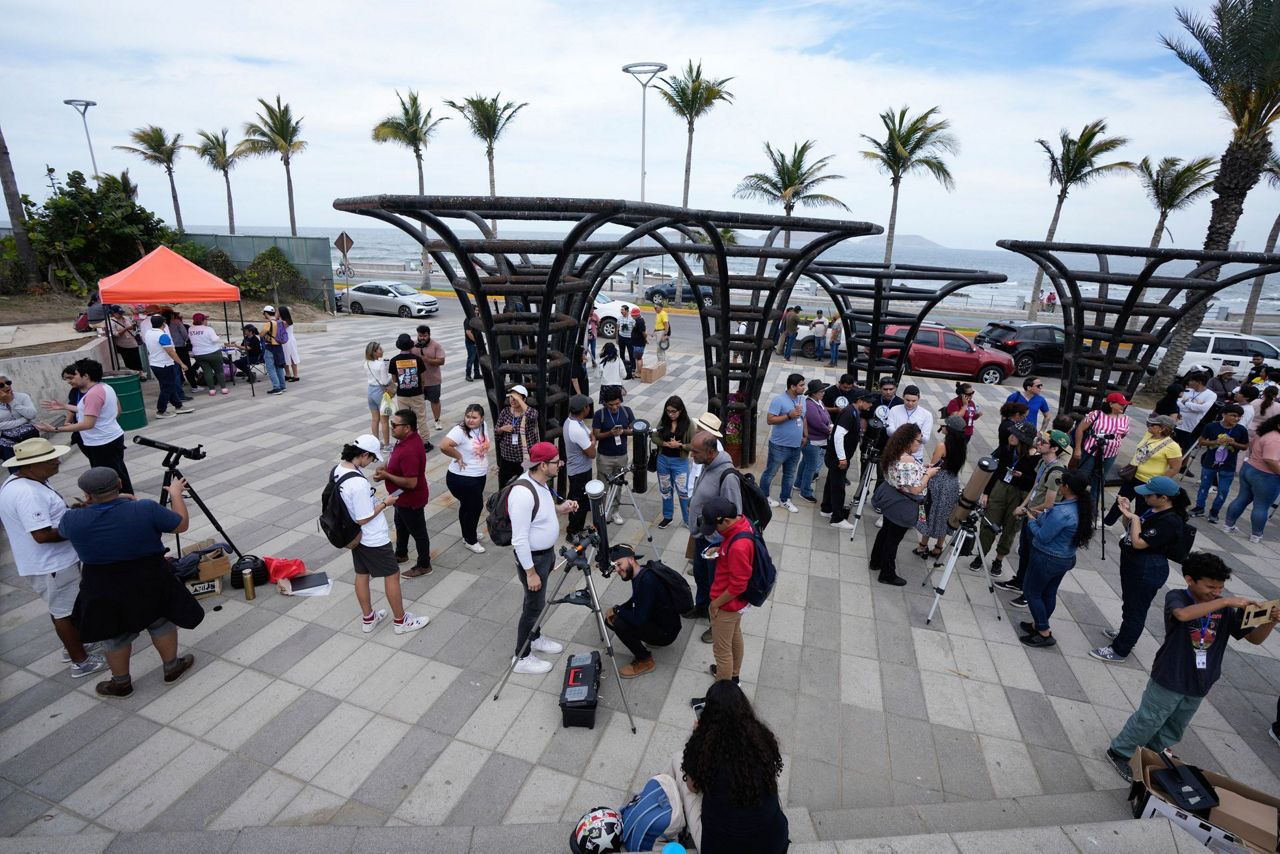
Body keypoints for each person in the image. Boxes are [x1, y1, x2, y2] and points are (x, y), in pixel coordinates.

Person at [1104, 552, 1278, 783]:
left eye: (1220, 588)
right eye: (1210, 587)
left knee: (1176, 725)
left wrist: (1271, 621)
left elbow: (1254, 639)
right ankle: (1119, 751)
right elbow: (1183, 615)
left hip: (1202, 679)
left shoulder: (1224, 608)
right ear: (1189, 579)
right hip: (1171, 674)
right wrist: (1224, 601)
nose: (1216, 592)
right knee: (1150, 718)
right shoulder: (1178, 597)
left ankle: (1153, 752)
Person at [57, 467, 203, 697]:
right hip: (149, 576)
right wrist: (175, 493)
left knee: (114, 633)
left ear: (86, 494)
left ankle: (121, 683)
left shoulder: (72, 519)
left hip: (102, 583)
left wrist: (102, 503)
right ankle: (172, 666)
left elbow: (84, 520)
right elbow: (181, 524)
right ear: (119, 484)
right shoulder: (144, 508)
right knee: (160, 620)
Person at [0, 439, 105, 678]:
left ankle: (77, 645)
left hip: (53, 562)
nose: (57, 462)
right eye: (51, 460)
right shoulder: (28, 493)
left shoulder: (26, 482)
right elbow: (42, 534)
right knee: (63, 612)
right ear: (31, 465)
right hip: (52, 564)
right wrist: (77, 527)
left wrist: (73, 513)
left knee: (67, 608)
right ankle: (80, 661)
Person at [332, 435, 430, 635]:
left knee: (362, 574)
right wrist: (386, 503)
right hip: (371, 536)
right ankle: (401, 621)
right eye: (372, 459)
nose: (371, 463)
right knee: (392, 575)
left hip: (354, 536)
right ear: (364, 455)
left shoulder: (339, 469)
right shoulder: (357, 484)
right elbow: (363, 518)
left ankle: (368, 618)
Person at [679, 681, 789, 854]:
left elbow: (692, 787)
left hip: (720, 848)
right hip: (774, 844)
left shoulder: (703, 750)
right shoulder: (762, 739)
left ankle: (665, 811)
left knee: (678, 765)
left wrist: (696, 737)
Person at [1090, 475, 1190, 663]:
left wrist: (1134, 517)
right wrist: (1127, 513)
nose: (1145, 498)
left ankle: (1121, 649)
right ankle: (1126, 633)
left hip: (1146, 569)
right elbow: (1130, 529)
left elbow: (1138, 543)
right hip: (1135, 565)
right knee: (1129, 605)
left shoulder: (1169, 521)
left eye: (1149, 495)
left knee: (1136, 610)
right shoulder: (1155, 509)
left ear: (1164, 498)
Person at [509, 441, 576, 675]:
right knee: (533, 606)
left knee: (536, 603)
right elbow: (519, 540)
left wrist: (562, 508)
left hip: (544, 556)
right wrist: (530, 572)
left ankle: (534, 637)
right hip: (533, 560)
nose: (561, 465)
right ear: (543, 465)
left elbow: (544, 510)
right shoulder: (522, 494)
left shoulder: (542, 483)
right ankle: (521, 656)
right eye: (557, 462)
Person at [1018, 471, 1093, 648]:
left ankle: (1044, 631)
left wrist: (1031, 520)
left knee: (1032, 592)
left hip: (1047, 558)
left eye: (1061, 483)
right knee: (1048, 592)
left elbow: (1042, 537)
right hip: (1065, 558)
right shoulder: (1080, 507)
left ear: (1067, 487)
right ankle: (1038, 624)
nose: (1059, 485)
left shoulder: (1063, 512)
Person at [39, 359, 134, 494]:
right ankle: (127, 498)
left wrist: (55, 429)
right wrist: (65, 406)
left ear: (86, 376)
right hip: (111, 437)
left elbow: (88, 424)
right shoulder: (105, 387)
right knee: (118, 471)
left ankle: (123, 502)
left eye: (75, 375)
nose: (72, 379)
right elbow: (117, 411)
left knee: (108, 478)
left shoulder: (93, 394)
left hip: (102, 442)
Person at [999, 430, 1072, 600]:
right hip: (1030, 513)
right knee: (1024, 551)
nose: (1038, 443)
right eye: (1039, 440)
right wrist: (1023, 506)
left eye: (1043, 442)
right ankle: (1019, 581)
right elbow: (1035, 486)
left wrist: (1026, 510)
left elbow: (1049, 503)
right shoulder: (1042, 463)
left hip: (1040, 519)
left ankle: (1028, 594)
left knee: (1033, 555)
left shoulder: (1056, 473)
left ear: (1054, 448)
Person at [687, 430, 742, 637]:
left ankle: (717, 624)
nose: (692, 455)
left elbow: (734, 513)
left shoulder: (727, 476)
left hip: (716, 542)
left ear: (710, 452)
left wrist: (722, 544)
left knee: (716, 584)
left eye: (695, 452)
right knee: (701, 575)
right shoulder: (706, 464)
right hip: (703, 536)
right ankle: (701, 607)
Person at [871, 423, 942, 586]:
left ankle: (875, 561)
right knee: (893, 539)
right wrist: (929, 474)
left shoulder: (895, 451)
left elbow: (905, 475)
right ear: (908, 440)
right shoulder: (907, 460)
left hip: (890, 498)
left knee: (885, 531)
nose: (920, 443)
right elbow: (915, 489)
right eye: (918, 440)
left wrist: (922, 468)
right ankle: (887, 573)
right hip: (902, 504)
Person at [971, 420, 1039, 577]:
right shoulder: (1005, 449)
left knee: (1010, 528)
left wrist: (1022, 476)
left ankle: (999, 559)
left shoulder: (1035, 458)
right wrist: (986, 493)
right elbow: (994, 472)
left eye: (1015, 434)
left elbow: (1035, 483)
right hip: (999, 488)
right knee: (988, 522)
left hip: (1019, 494)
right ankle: (980, 556)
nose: (1011, 436)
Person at [698, 496, 754, 683]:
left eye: (716, 526)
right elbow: (732, 544)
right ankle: (734, 676)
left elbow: (739, 584)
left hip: (727, 605)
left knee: (722, 652)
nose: (715, 531)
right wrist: (720, 549)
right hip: (737, 605)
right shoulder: (743, 522)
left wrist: (715, 604)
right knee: (735, 636)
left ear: (726, 520)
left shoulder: (738, 547)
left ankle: (722, 695)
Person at [604, 544, 683, 678]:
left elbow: (639, 619)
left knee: (619, 623)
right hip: (667, 624)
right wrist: (619, 608)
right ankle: (651, 640)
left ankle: (645, 660)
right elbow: (636, 599)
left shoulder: (647, 581)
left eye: (619, 564)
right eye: (615, 567)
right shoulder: (643, 573)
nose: (617, 570)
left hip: (666, 634)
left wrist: (617, 610)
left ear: (631, 559)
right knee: (615, 616)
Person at [374, 409, 432, 578]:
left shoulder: (410, 450)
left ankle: (424, 564)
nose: (391, 428)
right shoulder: (404, 440)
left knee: (418, 532)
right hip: (400, 496)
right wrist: (385, 467)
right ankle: (401, 553)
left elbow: (411, 482)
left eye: (394, 425)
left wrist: (387, 475)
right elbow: (395, 458)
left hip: (411, 499)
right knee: (400, 524)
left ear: (406, 428)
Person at [1103, 415, 1182, 526]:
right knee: (1120, 501)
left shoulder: (1172, 446)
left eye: (1153, 424)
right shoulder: (1149, 435)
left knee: (1142, 508)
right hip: (1133, 476)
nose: (1148, 425)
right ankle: (1107, 523)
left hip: (1149, 483)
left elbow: (1175, 468)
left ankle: (1134, 530)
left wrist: (1159, 482)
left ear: (1162, 428)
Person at [439, 403, 491, 554]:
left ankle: (469, 534)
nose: (470, 420)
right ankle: (470, 540)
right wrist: (458, 456)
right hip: (462, 478)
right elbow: (444, 446)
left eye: (474, 417)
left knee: (467, 506)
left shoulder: (483, 426)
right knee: (474, 507)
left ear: (481, 419)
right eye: (468, 416)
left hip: (478, 476)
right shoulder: (460, 431)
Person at [914, 416, 967, 559]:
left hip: (938, 481)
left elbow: (934, 465)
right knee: (945, 513)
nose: (942, 427)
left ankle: (922, 546)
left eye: (945, 425)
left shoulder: (942, 446)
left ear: (949, 429)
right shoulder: (962, 445)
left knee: (930, 510)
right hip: (952, 482)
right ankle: (938, 547)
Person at [1223, 413, 1280, 543]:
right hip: (1266, 476)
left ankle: (1228, 525)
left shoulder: (1263, 432)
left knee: (1242, 498)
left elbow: (1252, 447)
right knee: (1262, 506)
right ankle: (1256, 534)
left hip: (1249, 468)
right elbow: (1270, 459)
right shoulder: (1276, 439)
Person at [824, 392, 874, 531]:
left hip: (838, 456)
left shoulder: (852, 411)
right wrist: (842, 458)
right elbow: (838, 436)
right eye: (868, 402)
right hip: (838, 457)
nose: (870, 405)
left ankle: (826, 508)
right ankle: (837, 519)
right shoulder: (849, 413)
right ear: (860, 401)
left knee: (831, 482)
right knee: (839, 487)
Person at [1073, 392, 1131, 509]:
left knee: (1100, 480)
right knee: (1083, 476)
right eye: (1120, 404)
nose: (1123, 406)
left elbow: (1122, 435)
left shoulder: (1125, 419)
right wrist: (1078, 448)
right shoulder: (1096, 414)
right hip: (1091, 450)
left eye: (1124, 404)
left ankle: (1092, 508)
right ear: (1111, 404)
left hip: (1110, 453)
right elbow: (1080, 429)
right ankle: (1074, 501)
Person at [1191, 404, 1249, 522]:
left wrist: (1233, 443)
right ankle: (1199, 507)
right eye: (1233, 416)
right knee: (1204, 486)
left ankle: (1214, 512)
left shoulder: (1241, 430)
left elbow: (1245, 447)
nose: (1236, 419)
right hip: (1210, 462)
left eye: (1239, 417)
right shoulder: (1211, 426)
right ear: (1224, 415)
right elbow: (1201, 441)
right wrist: (1215, 442)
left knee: (1223, 490)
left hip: (1229, 466)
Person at [759, 373, 807, 513]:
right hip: (779, 446)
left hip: (796, 446)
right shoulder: (778, 400)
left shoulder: (802, 399)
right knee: (770, 473)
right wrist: (788, 416)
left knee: (790, 474)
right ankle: (764, 497)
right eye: (801, 385)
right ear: (792, 387)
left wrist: (805, 434)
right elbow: (770, 420)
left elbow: (804, 418)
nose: (804, 388)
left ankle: (785, 500)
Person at [592, 385, 635, 522]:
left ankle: (615, 510)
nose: (615, 407)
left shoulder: (627, 411)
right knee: (603, 486)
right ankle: (601, 511)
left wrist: (623, 431)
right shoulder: (600, 414)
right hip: (605, 456)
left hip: (622, 455)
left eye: (617, 404)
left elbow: (634, 429)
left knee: (618, 485)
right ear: (605, 403)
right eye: (611, 405)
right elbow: (596, 435)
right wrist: (610, 433)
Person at [652, 395, 694, 528]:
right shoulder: (664, 421)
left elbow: (693, 444)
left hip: (680, 462)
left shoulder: (688, 424)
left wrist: (680, 446)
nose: (670, 414)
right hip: (663, 460)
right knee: (665, 490)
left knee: (683, 491)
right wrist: (664, 443)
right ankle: (667, 517)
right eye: (668, 411)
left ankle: (688, 520)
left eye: (673, 411)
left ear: (680, 410)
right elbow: (654, 436)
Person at [142, 315, 195, 417]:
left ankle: (178, 406)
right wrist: (181, 363)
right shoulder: (162, 336)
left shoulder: (149, 333)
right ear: (164, 324)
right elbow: (171, 351)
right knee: (167, 388)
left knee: (168, 386)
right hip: (165, 364)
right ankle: (161, 411)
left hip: (154, 363)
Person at [562, 395, 596, 537]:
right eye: (588, 406)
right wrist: (593, 443)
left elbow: (591, 434)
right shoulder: (576, 429)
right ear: (584, 409)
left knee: (578, 499)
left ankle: (577, 526)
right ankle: (573, 531)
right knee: (578, 502)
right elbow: (592, 453)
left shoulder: (574, 421)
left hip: (579, 469)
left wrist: (591, 439)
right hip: (579, 472)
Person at [495, 384, 539, 487]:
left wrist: (519, 400)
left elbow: (533, 415)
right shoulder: (505, 412)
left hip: (524, 459)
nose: (512, 400)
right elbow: (496, 431)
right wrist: (502, 429)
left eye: (516, 398)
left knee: (525, 485)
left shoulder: (528, 414)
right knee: (504, 485)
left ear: (524, 399)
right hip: (507, 458)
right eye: (511, 397)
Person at [796, 379, 831, 503]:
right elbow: (817, 423)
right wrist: (829, 430)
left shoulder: (819, 402)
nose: (823, 393)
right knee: (811, 466)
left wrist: (830, 425)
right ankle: (805, 492)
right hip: (812, 441)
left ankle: (798, 483)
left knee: (805, 462)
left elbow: (826, 416)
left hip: (818, 440)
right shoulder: (810, 405)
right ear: (814, 393)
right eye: (821, 391)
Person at [389, 332, 427, 445]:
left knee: (403, 419)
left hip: (402, 395)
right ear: (411, 345)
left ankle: (405, 440)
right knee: (420, 418)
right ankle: (424, 442)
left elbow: (394, 380)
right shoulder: (417, 359)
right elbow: (423, 379)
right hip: (417, 393)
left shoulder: (394, 360)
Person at [411, 325, 446, 433]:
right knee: (417, 403)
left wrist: (427, 360)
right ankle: (418, 423)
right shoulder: (412, 345)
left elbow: (441, 361)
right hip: (417, 381)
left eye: (424, 336)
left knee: (435, 401)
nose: (422, 338)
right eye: (420, 335)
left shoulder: (436, 346)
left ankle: (437, 420)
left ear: (429, 335)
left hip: (433, 380)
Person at [0, 375, 42, 462]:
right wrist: (24, 420)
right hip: (8, 442)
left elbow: (32, 414)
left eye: (8, 383)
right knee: (16, 470)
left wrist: (11, 401)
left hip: (30, 436)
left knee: (37, 465)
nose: (7, 386)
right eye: (1, 385)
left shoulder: (22, 397)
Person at [886, 385, 934, 463]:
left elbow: (925, 439)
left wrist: (902, 435)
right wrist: (913, 436)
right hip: (895, 454)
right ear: (903, 397)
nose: (910, 403)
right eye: (907, 400)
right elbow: (889, 431)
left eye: (913, 401)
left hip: (916, 456)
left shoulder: (927, 415)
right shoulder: (894, 410)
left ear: (919, 398)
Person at [186, 313, 228, 396]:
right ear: (202, 320)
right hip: (213, 352)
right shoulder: (208, 329)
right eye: (205, 319)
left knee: (207, 371)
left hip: (199, 354)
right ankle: (223, 388)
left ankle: (212, 390)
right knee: (219, 371)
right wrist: (218, 336)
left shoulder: (190, 329)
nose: (207, 321)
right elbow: (215, 340)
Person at [1175, 371, 1216, 452]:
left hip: (1192, 427)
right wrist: (1194, 408)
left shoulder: (1211, 395)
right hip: (1178, 424)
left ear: (1199, 382)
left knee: (1185, 449)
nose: (1189, 382)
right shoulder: (1187, 390)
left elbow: (1204, 408)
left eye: (1191, 381)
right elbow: (1178, 404)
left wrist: (1186, 403)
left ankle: (1182, 464)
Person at [363, 342, 392, 450]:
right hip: (380, 392)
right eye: (380, 349)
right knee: (384, 420)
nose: (382, 350)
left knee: (375, 419)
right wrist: (390, 375)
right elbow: (384, 381)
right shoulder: (380, 365)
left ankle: (376, 443)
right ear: (374, 352)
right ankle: (387, 445)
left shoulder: (366, 363)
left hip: (370, 390)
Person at [162, 309, 195, 396]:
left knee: (176, 367)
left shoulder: (163, 325)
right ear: (172, 315)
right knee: (186, 365)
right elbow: (184, 334)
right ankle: (194, 386)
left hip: (169, 348)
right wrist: (186, 341)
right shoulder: (176, 322)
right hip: (180, 346)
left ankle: (180, 383)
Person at [107, 306, 144, 378]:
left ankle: (141, 374)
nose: (121, 315)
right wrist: (126, 328)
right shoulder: (111, 322)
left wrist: (133, 326)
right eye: (118, 313)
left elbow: (133, 328)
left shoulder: (126, 318)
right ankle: (134, 375)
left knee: (137, 359)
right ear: (113, 313)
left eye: (121, 313)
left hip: (132, 342)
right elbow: (116, 334)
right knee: (129, 361)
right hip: (123, 345)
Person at [258, 305, 288, 394]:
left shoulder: (269, 323)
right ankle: (283, 386)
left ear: (266, 313)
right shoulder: (279, 322)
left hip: (270, 347)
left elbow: (261, 335)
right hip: (279, 346)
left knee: (270, 368)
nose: (263, 315)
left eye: (264, 313)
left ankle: (276, 387)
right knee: (279, 367)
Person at [278, 305, 300, 383]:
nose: (277, 313)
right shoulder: (285, 320)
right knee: (285, 358)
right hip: (287, 340)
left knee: (291, 358)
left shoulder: (284, 322)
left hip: (288, 341)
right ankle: (288, 374)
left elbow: (279, 330)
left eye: (278, 311)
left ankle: (295, 375)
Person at [464, 305, 481, 381]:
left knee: (477, 359)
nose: (477, 312)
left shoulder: (477, 319)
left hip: (476, 343)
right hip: (471, 343)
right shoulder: (468, 320)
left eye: (478, 310)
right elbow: (468, 333)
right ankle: (468, 375)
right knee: (471, 359)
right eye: (476, 310)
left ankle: (477, 374)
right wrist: (476, 341)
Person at [618, 308, 636, 379]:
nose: (621, 311)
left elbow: (634, 329)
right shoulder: (619, 318)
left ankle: (633, 367)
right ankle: (622, 366)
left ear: (627, 311)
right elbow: (617, 327)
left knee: (631, 353)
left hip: (629, 338)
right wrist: (617, 338)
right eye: (621, 310)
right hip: (621, 337)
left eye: (623, 310)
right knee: (621, 352)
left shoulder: (632, 319)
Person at [631, 307, 648, 375]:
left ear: (636, 315)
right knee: (639, 358)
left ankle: (639, 373)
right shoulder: (638, 320)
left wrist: (645, 338)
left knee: (638, 358)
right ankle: (640, 371)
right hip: (637, 342)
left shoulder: (640, 321)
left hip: (639, 343)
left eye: (633, 315)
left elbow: (643, 332)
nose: (632, 316)